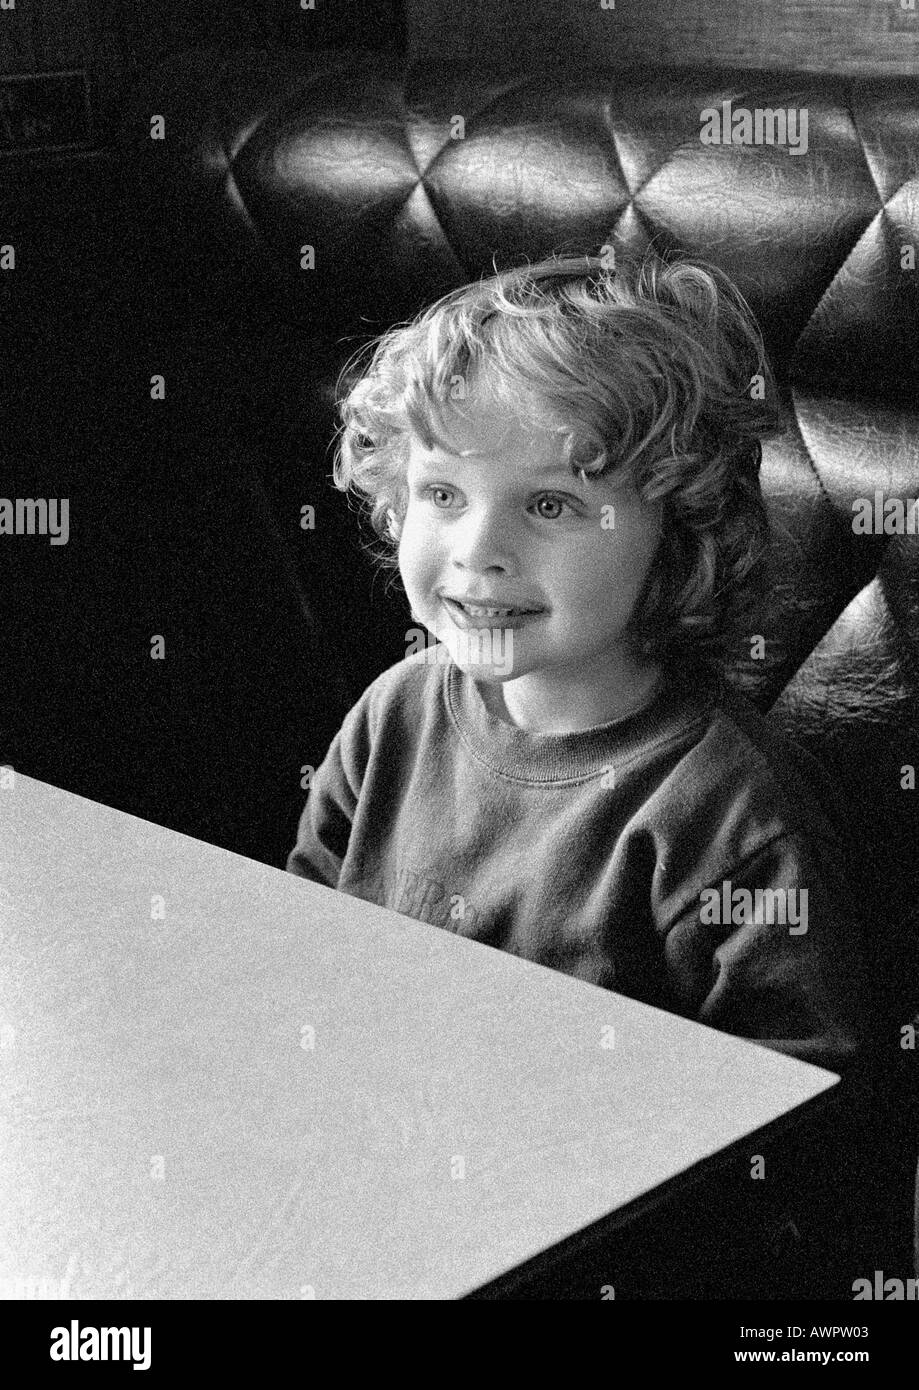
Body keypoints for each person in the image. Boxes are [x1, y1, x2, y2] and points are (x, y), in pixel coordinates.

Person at [286, 251, 866, 1073]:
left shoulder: (732, 820)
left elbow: (800, 1119)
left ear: (679, 531)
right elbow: (302, 956)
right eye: (442, 494)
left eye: (551, 504)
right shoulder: (394, 715)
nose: (478, 551)